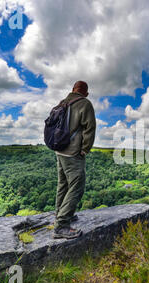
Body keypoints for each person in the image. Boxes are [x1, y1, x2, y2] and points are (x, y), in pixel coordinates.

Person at [53, 81, 96, 239]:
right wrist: (85, 149)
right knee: (77, 186)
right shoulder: (85, 104)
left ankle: (60, 214)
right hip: (72, 152)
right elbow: (90, 128)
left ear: (72, 90)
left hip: (59, 150)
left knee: (63, 184)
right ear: (86, 93)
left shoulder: (63, 102)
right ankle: (62, 225)